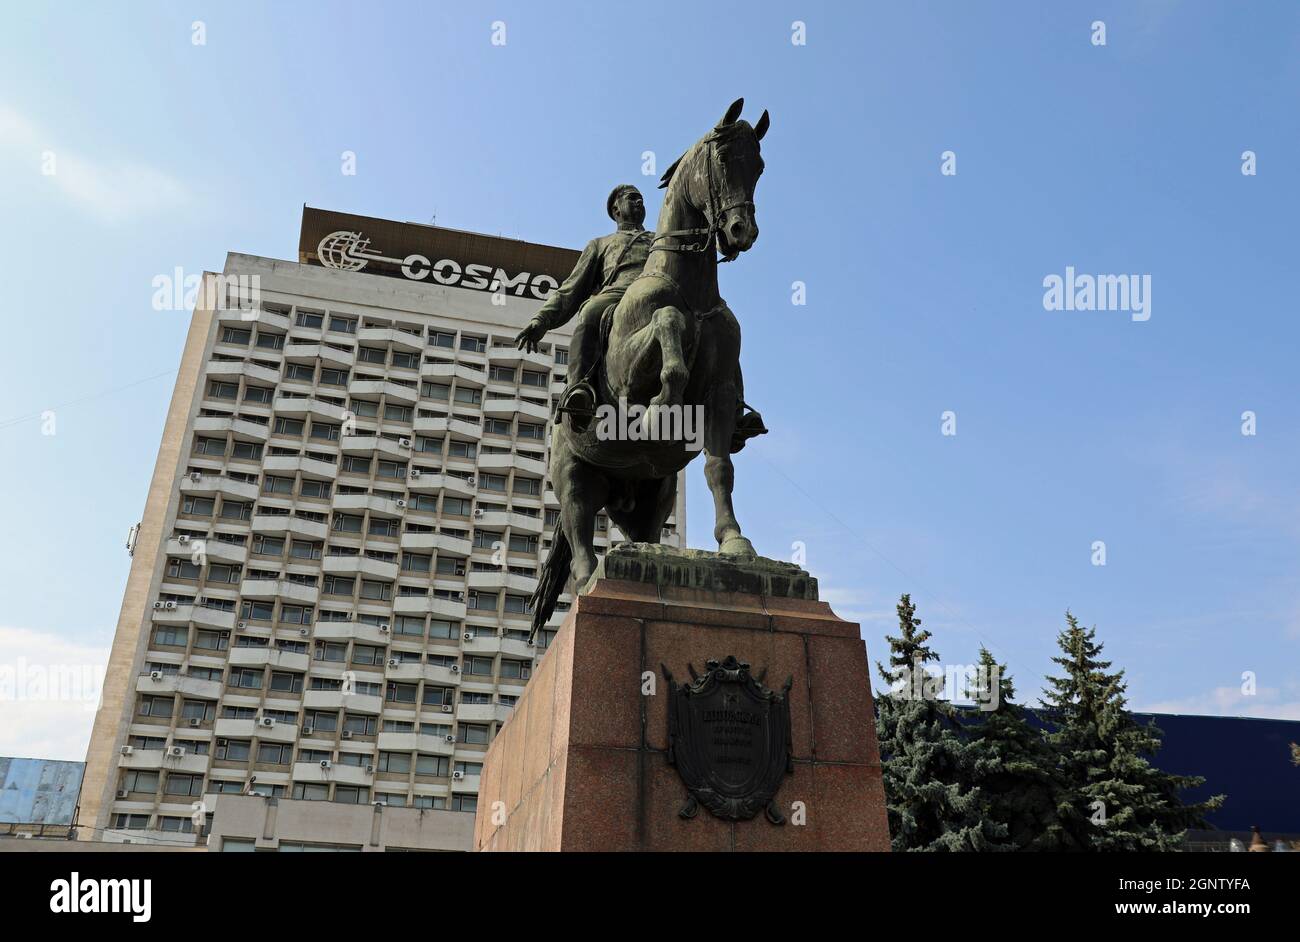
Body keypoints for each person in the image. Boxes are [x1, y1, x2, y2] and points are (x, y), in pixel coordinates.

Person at [515, 184, 653, 431]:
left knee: (717, 320)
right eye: (632, 198)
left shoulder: (659, 239)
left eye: (641, 199)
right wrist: (542, 320)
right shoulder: (600, 244)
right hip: (618, 294)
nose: (639, 202)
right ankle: (580, 387)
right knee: (590, 311)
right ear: (616, 209)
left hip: (660, 296)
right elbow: (572, 288)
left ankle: (730, 403)